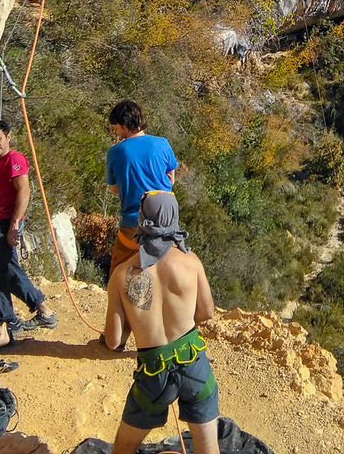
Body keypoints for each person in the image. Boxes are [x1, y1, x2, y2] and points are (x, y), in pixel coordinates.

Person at [105, 191, 220, 454]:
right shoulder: (190, 262)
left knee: (124, 446)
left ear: (142, 219)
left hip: (152, 374)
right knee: (208, 449)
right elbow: (206, 312)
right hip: (193, 365)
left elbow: (113, 341)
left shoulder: (122, 274)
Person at [0, 120, 57, 357]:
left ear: (8, 137)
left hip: (6, 222)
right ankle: (38, 312)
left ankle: (3, 327)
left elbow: (24, 190)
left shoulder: (14, 159)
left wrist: (15, 223)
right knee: (7, 271)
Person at [106, 100, 179, 276]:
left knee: (118, 272)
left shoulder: (116, 152)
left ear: (124, 124)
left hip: (134, 223)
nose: (115, 130)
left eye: (116, 126)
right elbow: (171, 180)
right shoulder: (162, 143)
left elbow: (115, 190)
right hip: (166, 221)